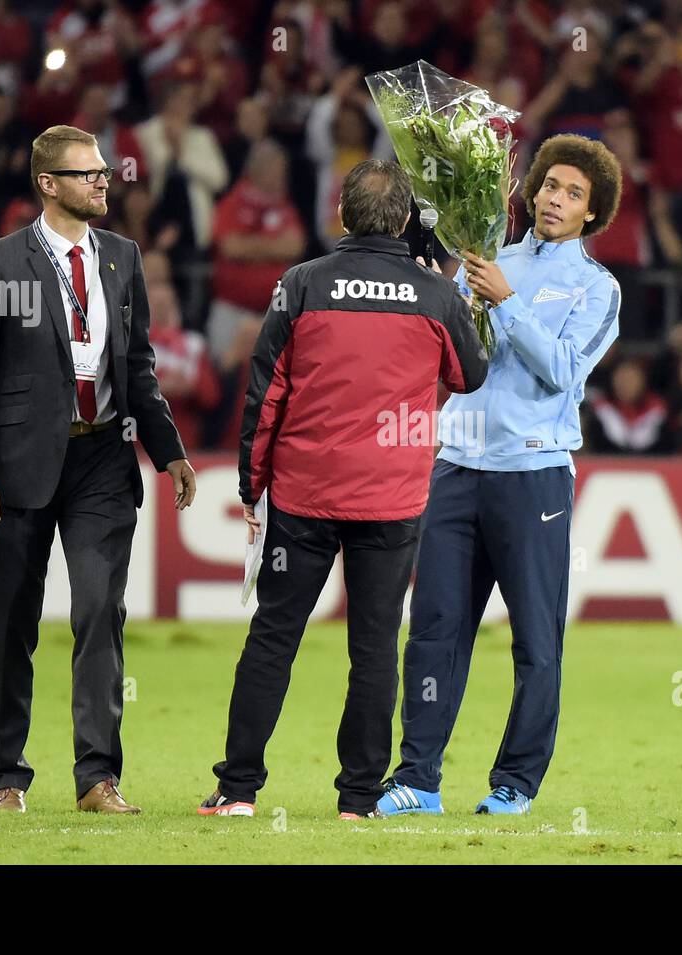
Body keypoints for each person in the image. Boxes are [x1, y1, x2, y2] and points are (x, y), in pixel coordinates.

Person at [201, 159, 487, 820]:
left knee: (274, 636)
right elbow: (470, 376)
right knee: (375, 648)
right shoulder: (436, 295)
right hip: (392, 497)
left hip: (304, 494)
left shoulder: (300, 282)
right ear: (408, 222)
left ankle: (239, 789)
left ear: (342, 214)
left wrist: (251, 485)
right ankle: (357, 799)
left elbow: (266, 391)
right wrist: (464, 303)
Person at [0, 124, 196, 815]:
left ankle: (97, 778)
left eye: (104, 172)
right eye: (87, 173)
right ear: (48, 185)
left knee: (98, 611)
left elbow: (138, 364)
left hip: (102, 457)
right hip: (22, 462)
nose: (103, 181)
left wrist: (168, 447)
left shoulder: (122, 256)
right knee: (13, 622)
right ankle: (4, 776)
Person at [379, 133, 622, 817]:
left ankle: (515, 782)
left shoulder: (598, 288)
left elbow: (566, 372)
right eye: (551, 185)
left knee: (536, 639)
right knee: (432, 629)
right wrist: (439, 287)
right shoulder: (486, 259)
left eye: (574, 193)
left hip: (533, 474)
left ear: (591, 214)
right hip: (456, 465)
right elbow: (448, 356)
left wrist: (506, 303)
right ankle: (418, 779)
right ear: (532, 189)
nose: (557, 199)